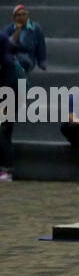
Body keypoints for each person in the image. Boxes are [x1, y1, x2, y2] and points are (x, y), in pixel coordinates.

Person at [4, 4, 47, 74]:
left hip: (28, 57)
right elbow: (6, 46)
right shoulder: (9, 29)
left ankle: (22, 84)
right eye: (18, 15)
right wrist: (17, 32)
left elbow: (41, 47)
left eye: (24, 14)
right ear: (14, 18)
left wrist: (42, 61)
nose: (22, 17)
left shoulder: (35, 28)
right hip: (12, 57)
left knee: (22, 65)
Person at [0, 33, 17, 181]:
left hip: (8, 100)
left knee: (4, 134)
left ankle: (7, 170)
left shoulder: (7, 62)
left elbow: (9, 86)